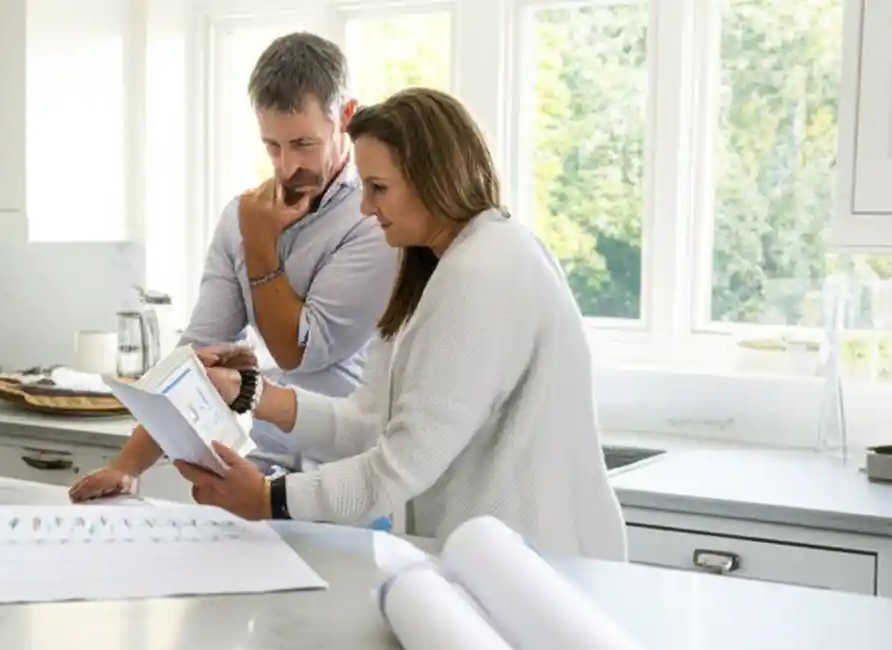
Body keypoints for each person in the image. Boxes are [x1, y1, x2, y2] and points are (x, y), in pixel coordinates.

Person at [174, 87, 627, 560]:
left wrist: (270, 499)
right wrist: (248, 392)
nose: (366, 208)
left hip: (542, 568)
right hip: (495, 565)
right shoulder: (434, 269)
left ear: (433, 178)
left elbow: (397, 469)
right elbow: (370, 423)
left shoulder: (485, 270)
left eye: (379, 188)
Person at [70, 33, 397, 502]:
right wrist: (127, 467)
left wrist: (262, 246)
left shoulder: (374, 219)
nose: (287, 167)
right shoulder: (240, 216)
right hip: (264, 467)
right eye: (273, 146)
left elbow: (301, 355)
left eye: (304, 144)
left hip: (348, 478)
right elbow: (195, 356)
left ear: (346, 117)